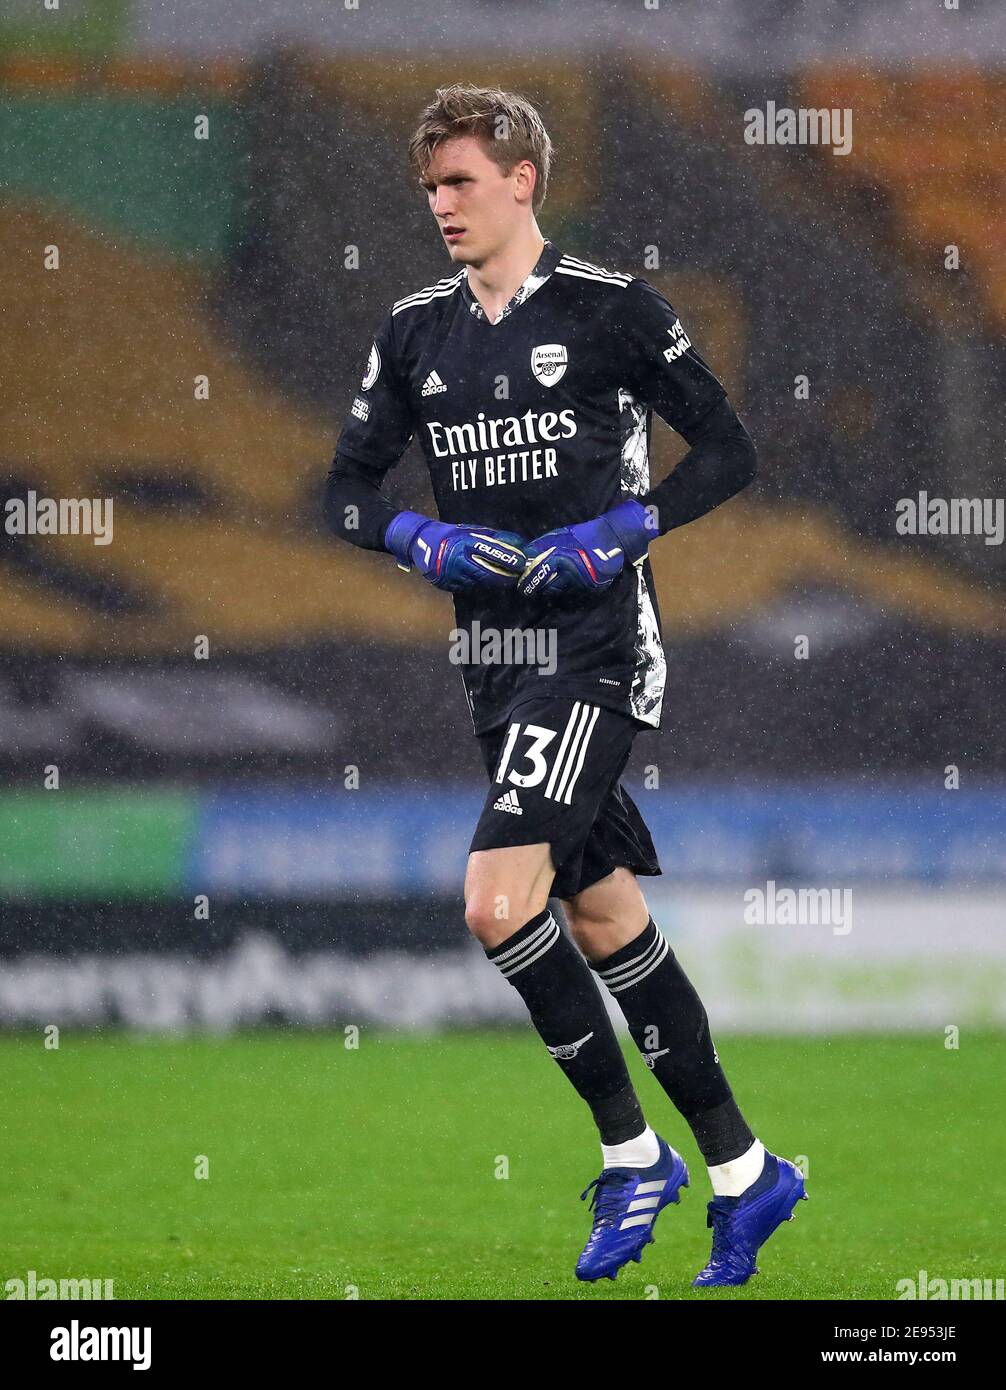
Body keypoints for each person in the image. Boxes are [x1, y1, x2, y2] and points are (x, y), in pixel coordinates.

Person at [324, 83, 806, 1285]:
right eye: (430, 186)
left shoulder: (612, 314)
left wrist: (627, 528)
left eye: (461, 182)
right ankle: (749, 1171)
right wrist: (417, 541)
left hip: (593, 653)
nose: (441, 204)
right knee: (597, 918)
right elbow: (340, 489)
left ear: (522, 181)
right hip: (492, 664)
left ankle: (632, 1153)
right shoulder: (415, 331)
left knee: (497, 903)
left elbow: (731, 449)